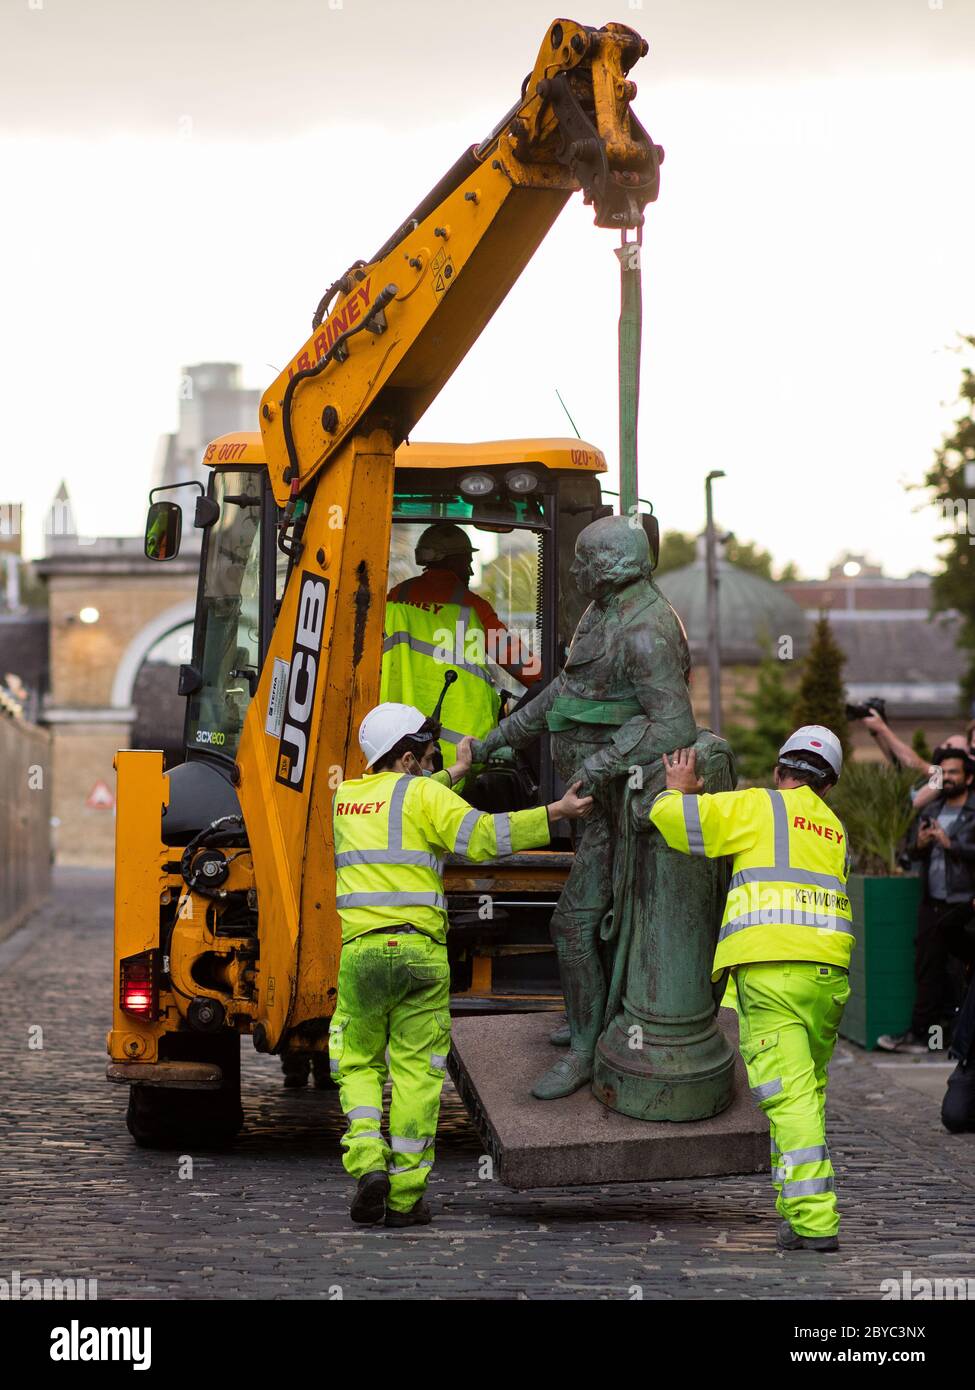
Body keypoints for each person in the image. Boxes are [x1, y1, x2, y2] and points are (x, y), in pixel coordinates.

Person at [329, 701, 593, 1228]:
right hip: (420, 956)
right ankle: (405, 1200)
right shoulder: (424, 794)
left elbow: (407, 798)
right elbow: (484, 838)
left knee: (357, 1062)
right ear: (405, 759)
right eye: (425, 756)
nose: (430, 765)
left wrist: (455, 772)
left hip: (360, 954)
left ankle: (366, 1162)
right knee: (416, 1073)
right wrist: (556, 813)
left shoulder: (347, 799)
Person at [471, 516, 697, 1099]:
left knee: (570, 922)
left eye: (582, 561)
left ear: (611, 565)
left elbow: (674, 725)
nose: (573, 572)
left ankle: (585, 1053)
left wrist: (597, 769)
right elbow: (564, 696)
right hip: (589, 803)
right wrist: (494, 740)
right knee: (590, 923)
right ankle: (585, 1021)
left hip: (616, 805)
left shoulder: (646, 629)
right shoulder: (602, 612)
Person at [649, 726, 853, 1252]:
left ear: (780, 771)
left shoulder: (760, 806)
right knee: (807, 1092)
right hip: (827, 978)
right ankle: (794, 1208)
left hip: (772, 972)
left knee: (788, 1097)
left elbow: (675, 823)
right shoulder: (832, 827)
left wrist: (679, 787)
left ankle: (814, 1221)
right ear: (826, 786)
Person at [381, 523, 539, 770]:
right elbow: (526, 668)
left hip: (397, 742)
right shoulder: (472, 607)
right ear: (453, 562)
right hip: (460, 752)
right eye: (467, 562)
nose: (471, 572)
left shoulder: (396, 596)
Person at [877, 748, 975, 1053]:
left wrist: (952, 843)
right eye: (942, 772)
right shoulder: (930, 811)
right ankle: (928, 1038)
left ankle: (961, 1041)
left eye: (954, 772)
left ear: (969, 777)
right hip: (932, 904)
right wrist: (919, 845)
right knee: (927, 973)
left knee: (959, 977)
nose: (947, 778)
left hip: (964, 907)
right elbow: (910, 855)